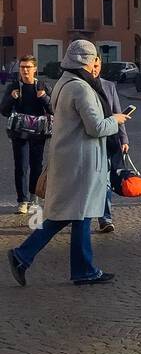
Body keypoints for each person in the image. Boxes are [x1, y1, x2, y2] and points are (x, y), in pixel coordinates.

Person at [7, 39, 131, 287]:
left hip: (69, 158)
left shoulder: (63, 83)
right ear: (85, 61)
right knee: (81, 213)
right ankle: (80, 269)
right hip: (81, 161)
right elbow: (95, 127)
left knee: (67, 215)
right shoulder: (81, 88)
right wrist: (116, 119)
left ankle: (25, 256)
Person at [2, 55, 53, 214]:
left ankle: (33, 198)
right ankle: (22, 201)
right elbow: (3, 110)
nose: (24, 70)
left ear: (35, 69)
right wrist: (11, 99)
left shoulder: (43, 86)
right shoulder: (13, 87)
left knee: (36, 166)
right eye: (22, 67)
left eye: (28, 67)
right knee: (21, 167)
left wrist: (44, 97)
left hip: (38, 134)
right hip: (19, 134)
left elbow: (54, 109)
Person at [91, 54, 129, 233]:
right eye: (92, 64)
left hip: (108, 141)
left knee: (106, 182)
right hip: (88, 142)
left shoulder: (109, 86)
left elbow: (118, 113)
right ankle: (79, 217)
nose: (94, 68)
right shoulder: (80, 86)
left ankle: (105, 218)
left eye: (97, 65)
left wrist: (123, 139)